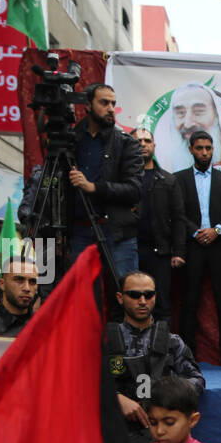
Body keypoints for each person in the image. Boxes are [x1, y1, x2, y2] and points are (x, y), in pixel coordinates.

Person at [107, 272, 205, 443]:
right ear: (120, 298)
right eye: (135, 295)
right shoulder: (104, 342)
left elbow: (197, 380)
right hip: (115, 432)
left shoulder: (171, 341)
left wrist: (165, 396)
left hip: (161, 433)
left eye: (149, 295)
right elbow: (81, 384)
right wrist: (115, 398)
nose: (143, 301)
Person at [64, 83, 143, 296]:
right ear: (88, 106)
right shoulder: (70, 141)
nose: (110, 108)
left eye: (113, 104)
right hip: (80, 231)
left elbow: (134, 190)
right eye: (104, 103)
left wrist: (93, 187)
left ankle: (127, 332)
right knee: (82, 299)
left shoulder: (127, 144)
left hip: (116, 231)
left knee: (130, 294)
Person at [174, 130, 221, 368]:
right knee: (189, 303)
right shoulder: (179, 179)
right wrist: (195, 232)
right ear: (191, 150)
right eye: (199, 148)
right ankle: (187, 359)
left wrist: (217, 230)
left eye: (208, 148)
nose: (204, 153)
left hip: (219, 246)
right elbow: (177, 212)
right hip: (193, 246)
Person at [132, 126, 186, 322]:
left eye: (147, 141)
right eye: (138, 141)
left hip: (159, 253)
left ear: (154, 145)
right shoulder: (124, 180)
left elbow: (179, 218)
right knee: (129, 304)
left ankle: (162, 352)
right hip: (129, 250)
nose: (143, 145)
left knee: (161, 305)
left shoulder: (168, 180)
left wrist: (178, 252)